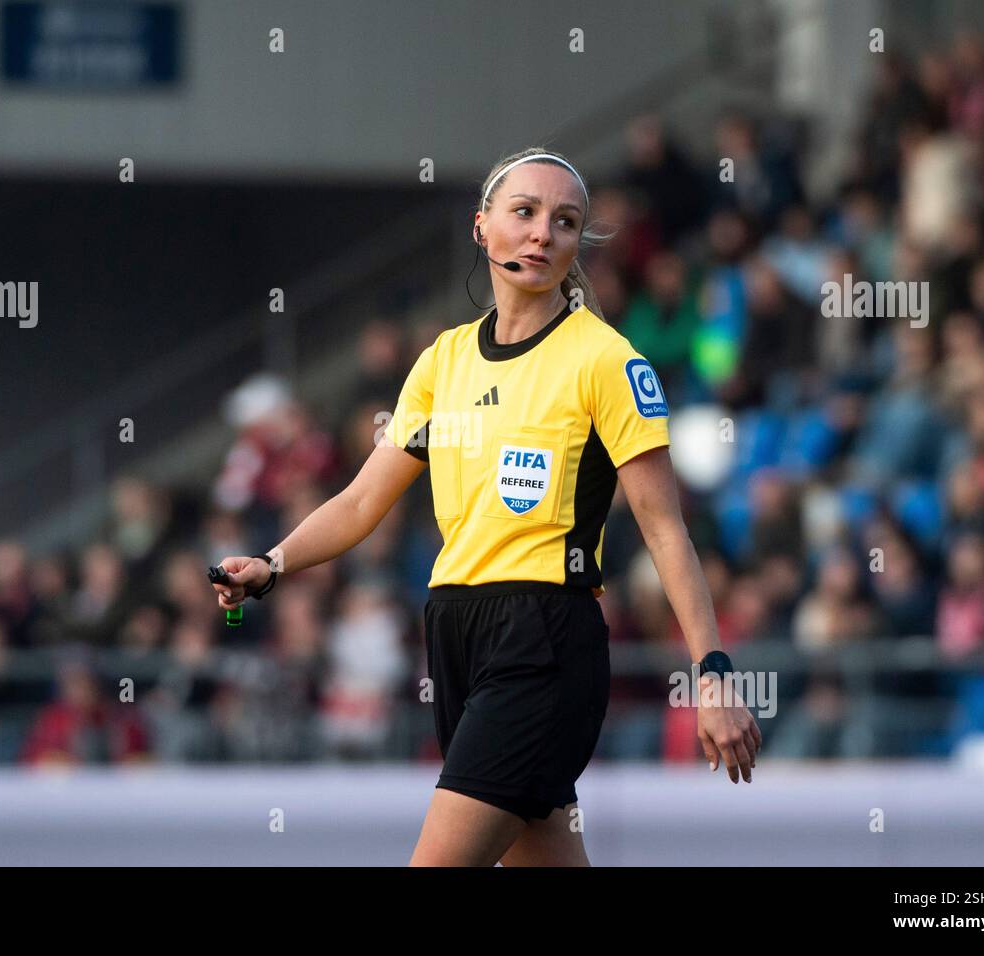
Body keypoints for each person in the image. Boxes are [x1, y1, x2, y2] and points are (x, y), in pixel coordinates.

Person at [210, 147, 760, 866]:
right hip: (456, 634)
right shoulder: (443, 360)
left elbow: (665, 529)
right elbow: (361, 501)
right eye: (524, 212)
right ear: (481, 228)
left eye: (565, 222)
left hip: (544, 639)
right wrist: (274, 564)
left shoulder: (606, 360)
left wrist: (712, 673)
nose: (542, 234)